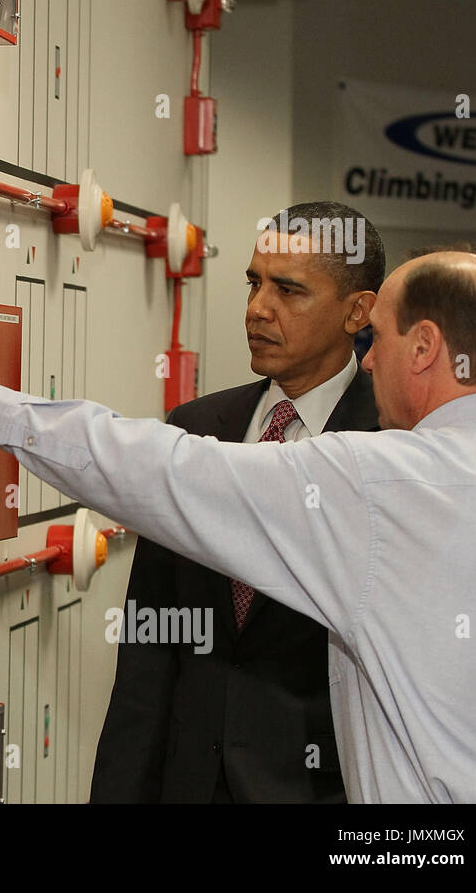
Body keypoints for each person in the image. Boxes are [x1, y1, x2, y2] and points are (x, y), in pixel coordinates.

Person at [0, 250, 476, 802]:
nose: (370, 357)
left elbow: (168, 472)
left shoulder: (382, 482)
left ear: (426, 346)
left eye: (379, 337)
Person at [91, 202, 383, 804]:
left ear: (357, 311)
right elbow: (149, 652)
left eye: (288, 289)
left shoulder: (392, 447)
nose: (257, 309)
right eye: (253, 283)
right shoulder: (197, 428)